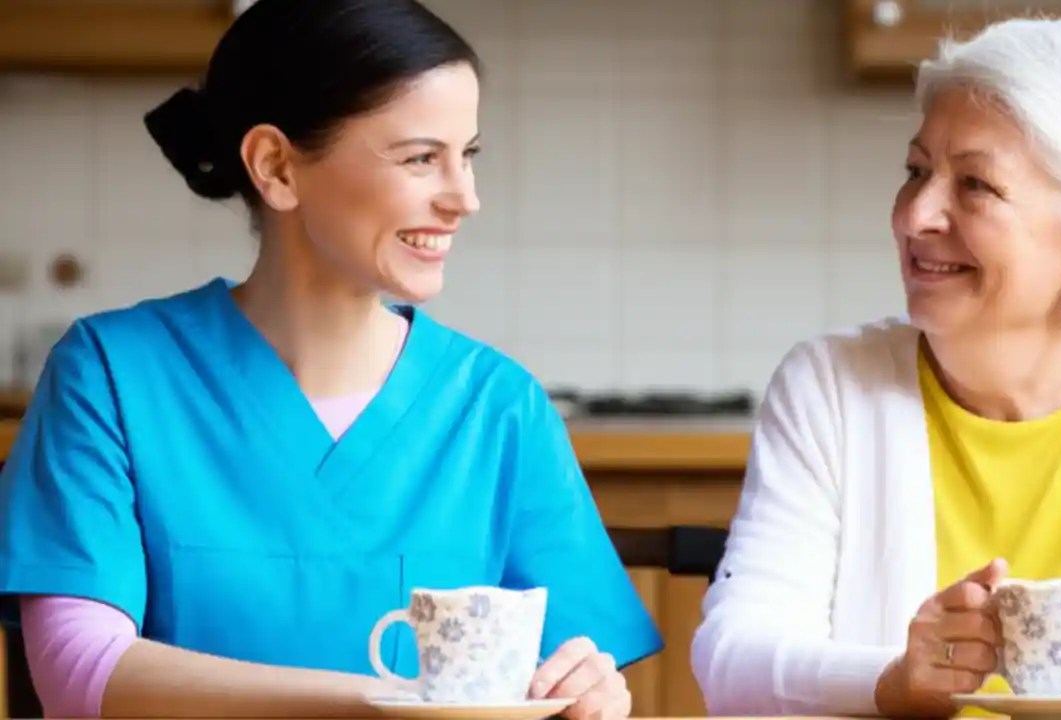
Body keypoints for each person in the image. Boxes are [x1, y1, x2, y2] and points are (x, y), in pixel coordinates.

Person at [0, 1, 661, 718]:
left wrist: (588, 690)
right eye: (420, 159)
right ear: (276, 167)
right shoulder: (110, 377)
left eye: (466, 156)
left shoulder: (499, 407)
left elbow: (572, 669)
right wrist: (388, 704)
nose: (465, 198)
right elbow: (76, 674)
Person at [692, 15, 1061, 720]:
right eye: (917, 172)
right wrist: (894, 680)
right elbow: (731, 658)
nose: (916, 215)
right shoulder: (831, 387)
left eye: (974, 185)